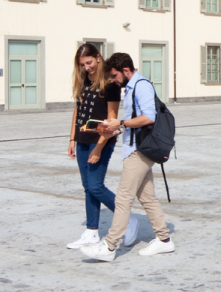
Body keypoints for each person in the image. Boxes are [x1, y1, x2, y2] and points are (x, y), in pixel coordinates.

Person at [81, 53, 175, 262]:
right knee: (147, 197)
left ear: (125, 70)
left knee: (123, 198)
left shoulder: (141, 85)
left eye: (114, 76)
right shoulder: (133, 86)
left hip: (139, 151)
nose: (113, 80)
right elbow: (136, 120)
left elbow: (149, 117)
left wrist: (121, 123)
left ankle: (109, 245)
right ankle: (164, 240)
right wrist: (115, 128)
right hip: (137, 146)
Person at [64, 44, 140, 250]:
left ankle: (129, 220)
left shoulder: (111, 84)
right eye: (82, 65)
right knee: (88, 187)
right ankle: (91, 232)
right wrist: (72, 139)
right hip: (82, 140)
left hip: (101, 141)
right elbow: (77, 112)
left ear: (98, 58)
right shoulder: (83, 82)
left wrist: (98, 148)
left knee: (96, 185)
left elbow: (111, 119)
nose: (86, 68)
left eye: (89, 63)